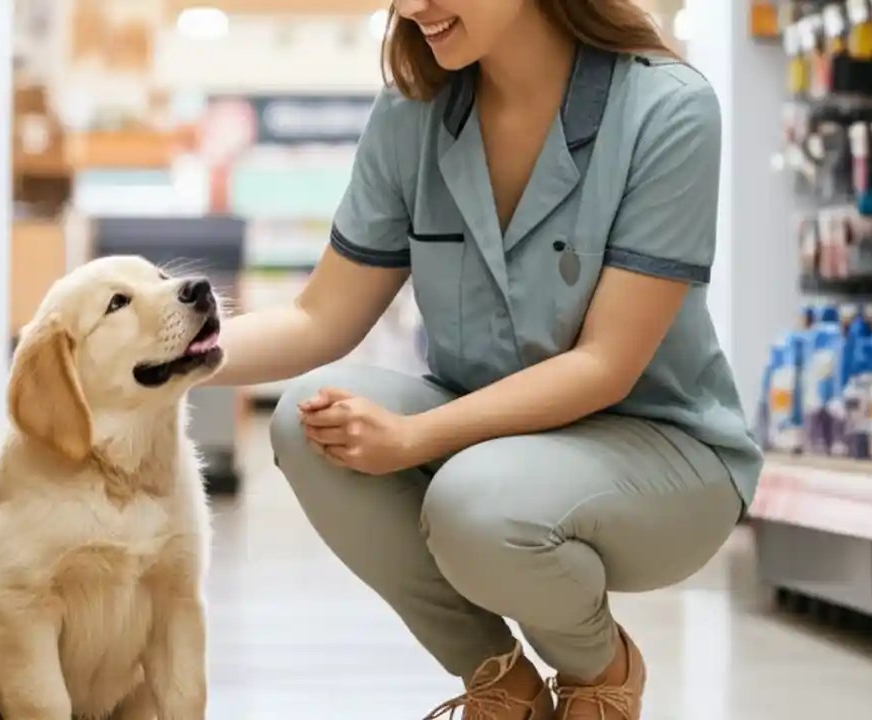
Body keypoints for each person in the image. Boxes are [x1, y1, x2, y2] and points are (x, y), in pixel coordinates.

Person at [209, 1, 761, 718]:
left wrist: (415, 438)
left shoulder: (667, 109)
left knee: (476, 502)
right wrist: (154, 357)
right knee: (307, 423)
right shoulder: (413, 115)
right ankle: (502, 684)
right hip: (491, 448)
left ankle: (602, 675)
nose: (413, 8)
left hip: (662, 455)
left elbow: (605, 365)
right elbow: (320, 317)